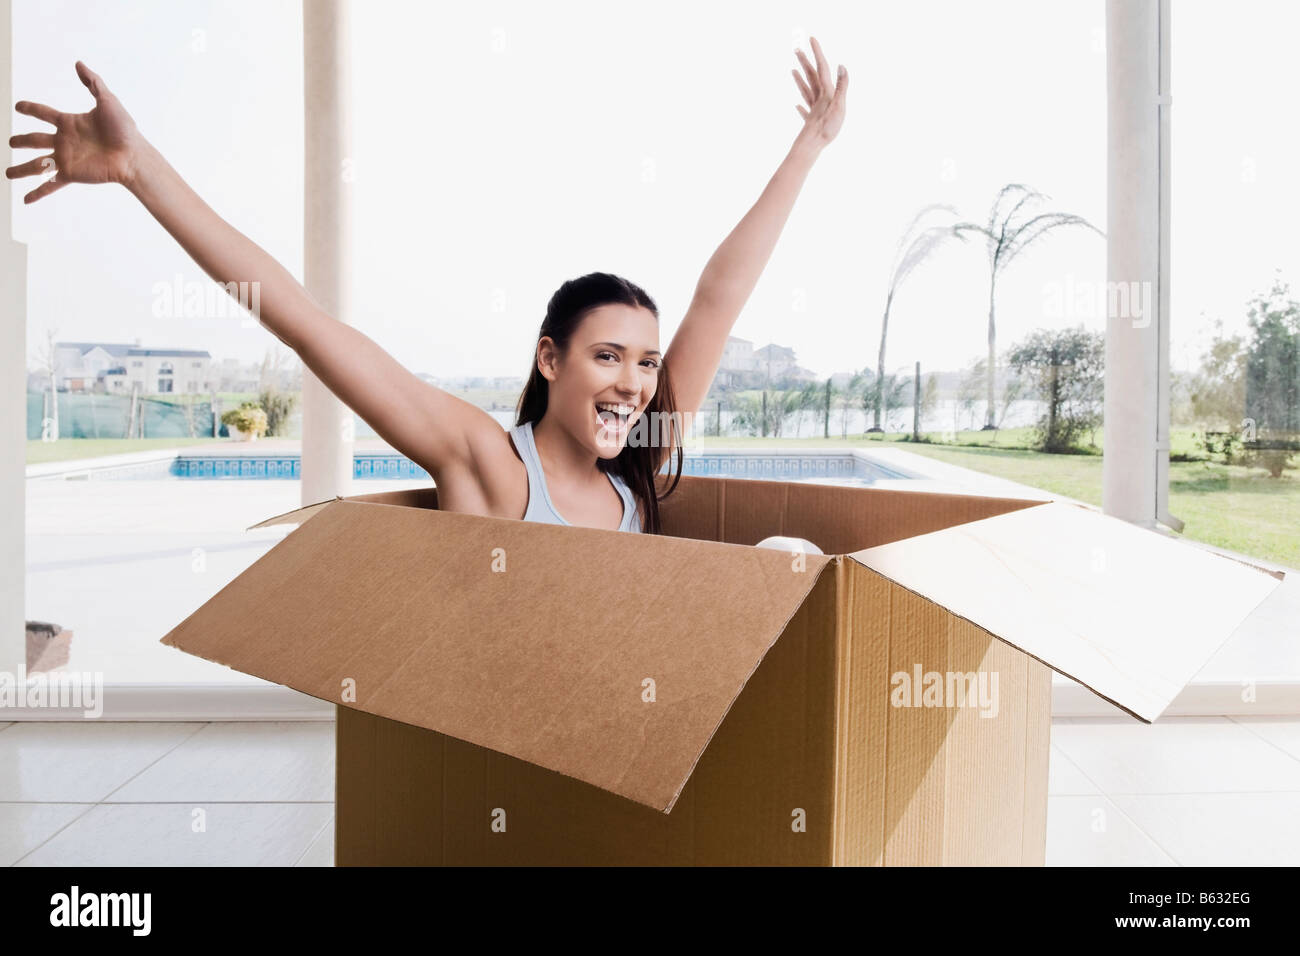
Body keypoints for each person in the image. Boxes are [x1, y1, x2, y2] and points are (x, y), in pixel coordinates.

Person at [8, 38, 848, 534]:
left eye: (646, 363)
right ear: (550, 359)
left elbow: (717, 300)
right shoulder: (485, 462)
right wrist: (138, 168)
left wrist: (810, 146)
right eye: (608, 355)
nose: (634, 383)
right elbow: (299, 320)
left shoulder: (637, 473)